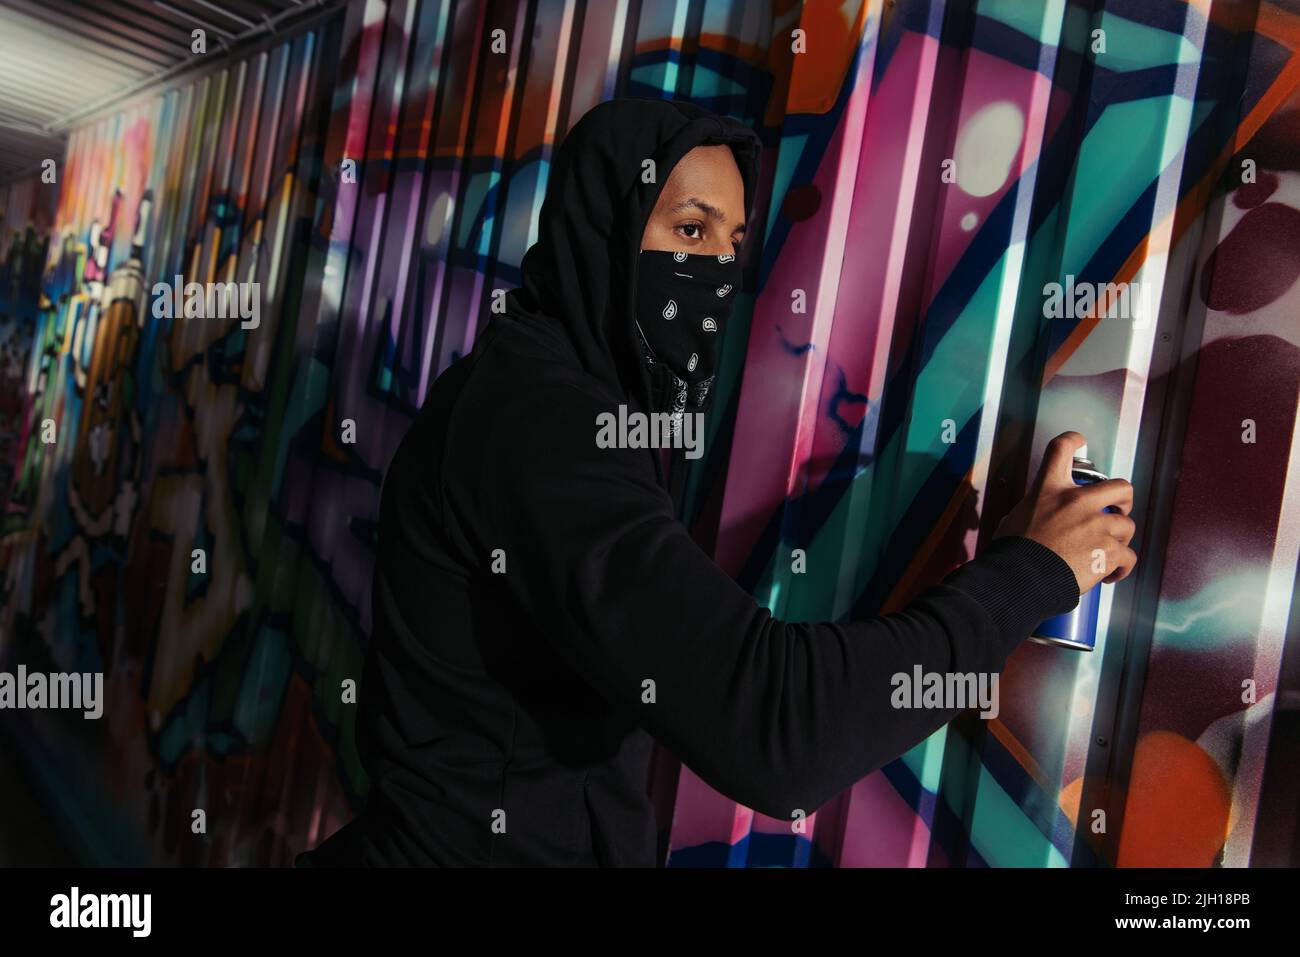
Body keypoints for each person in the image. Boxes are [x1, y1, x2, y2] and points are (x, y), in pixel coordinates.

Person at [297, 97, 1136, 867]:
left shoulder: (565, 387)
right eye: (690, 232)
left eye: (732, 245)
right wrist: (1032, 572)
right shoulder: (542, 425)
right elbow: (778, 731)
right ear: (606, 230)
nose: (717, 274)